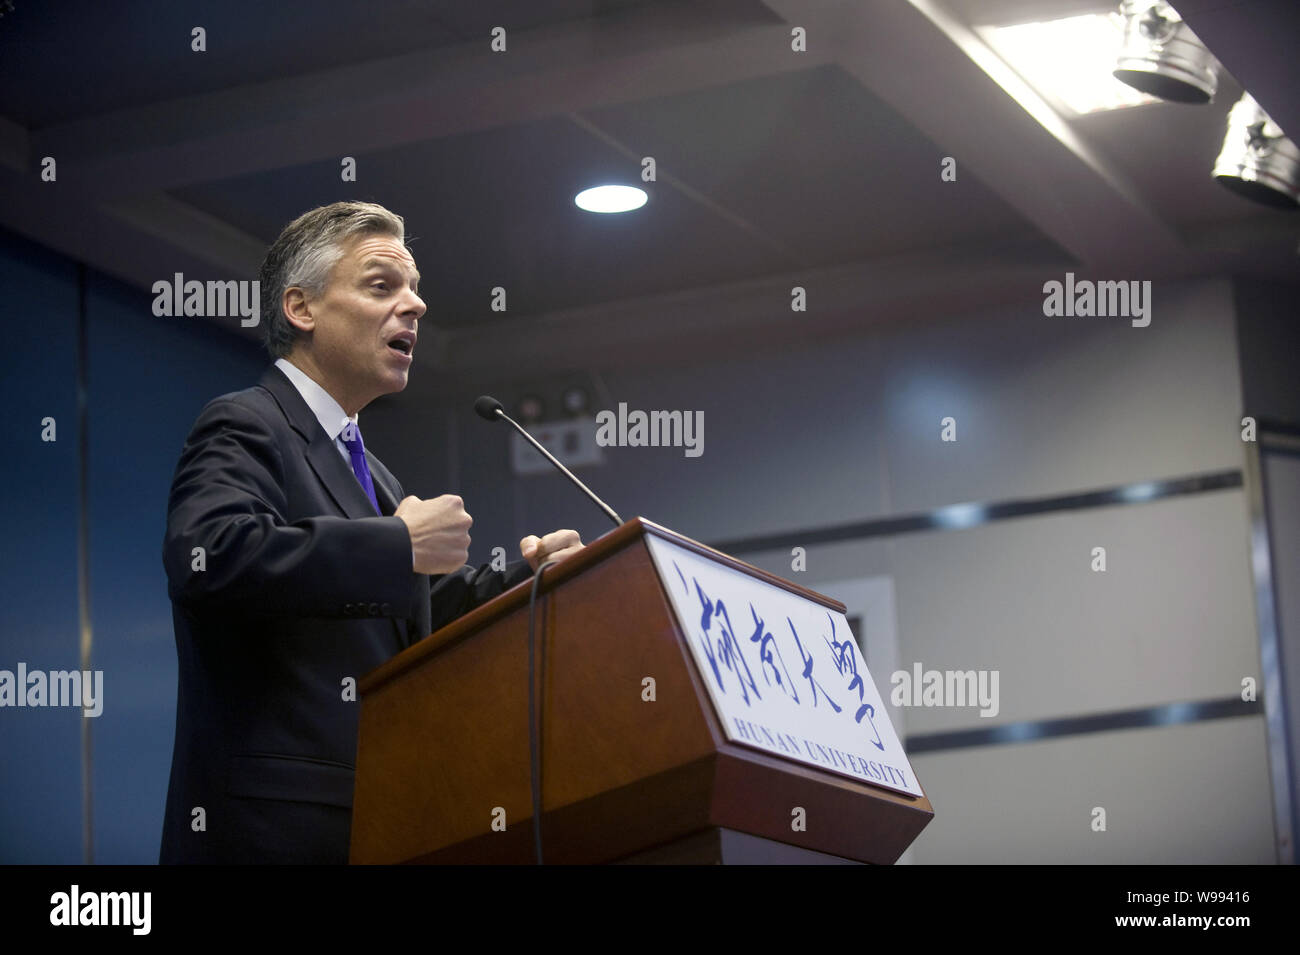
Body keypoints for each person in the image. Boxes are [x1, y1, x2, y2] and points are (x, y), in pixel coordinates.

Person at [159, 201, 583, 863]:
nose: (413, 306)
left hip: (386, 820)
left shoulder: (372, 471)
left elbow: (416, 612)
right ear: (302, 308)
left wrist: (532, 584)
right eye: (383, 286)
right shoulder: (246, 422)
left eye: (415, 289)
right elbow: (207, 556)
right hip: (272, 834)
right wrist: (396, 543)